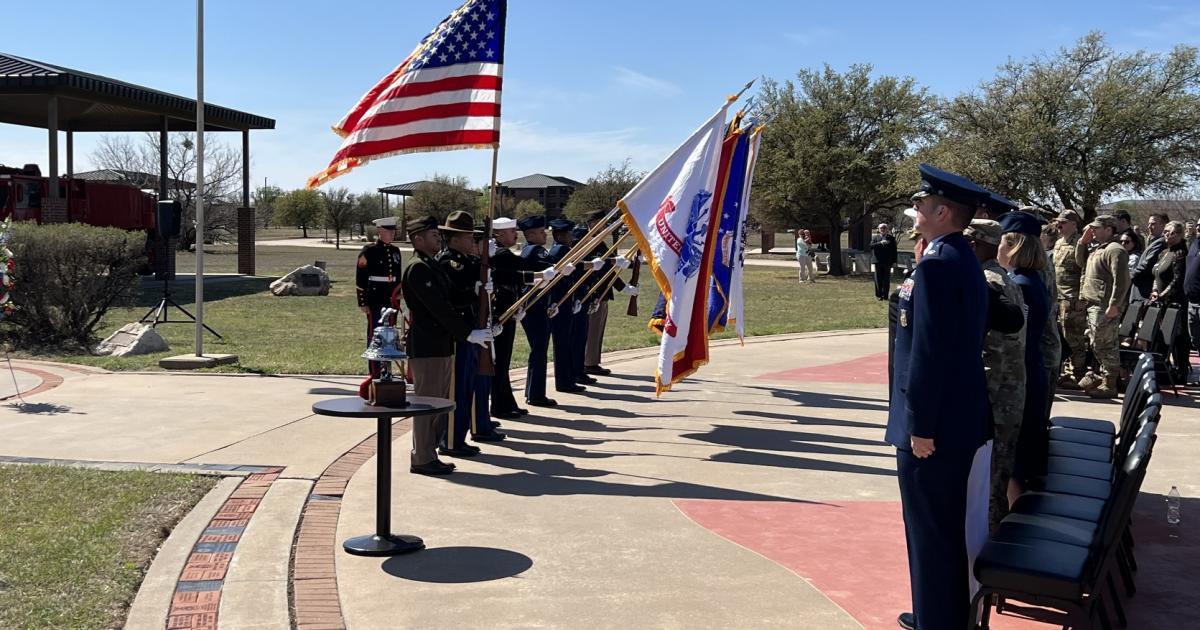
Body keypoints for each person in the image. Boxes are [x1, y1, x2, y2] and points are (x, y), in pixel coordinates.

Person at [889, 164, 990, 630]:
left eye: (921, 205)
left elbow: (929, 355)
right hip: (957, 417)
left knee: (931, 530)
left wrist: (921, 426)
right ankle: (939, 612)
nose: (914, 212)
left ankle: (938, 620)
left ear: (942, 211)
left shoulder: (937, 265)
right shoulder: (959, 256)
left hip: (937, 425)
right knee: (939, 528)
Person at [401, 215, 493, 475]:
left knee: (438, 404)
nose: (438, 238)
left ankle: (429, 454)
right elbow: (440, 309)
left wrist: (475, 290)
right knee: (426, 406)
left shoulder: (430, 265)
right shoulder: (418, 267)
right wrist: (467, 333)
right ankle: (422, 458)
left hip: (440, 344)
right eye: (432, 235)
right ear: (418, 239)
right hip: (427, 346)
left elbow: (451, 297)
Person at [964, 219, 1026, 531]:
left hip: (997, 391)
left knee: (990, 475)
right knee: (997, 471)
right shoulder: (1000, 276)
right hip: (1009, 389)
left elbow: (993, 350)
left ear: (975, 244)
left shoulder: (989, 282)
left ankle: (989, 544)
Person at [436, 211, 506, 457]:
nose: (472, 241)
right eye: (468, 237)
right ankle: (452, 441)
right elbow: (451, 297)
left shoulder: (466, 260)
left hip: (474, 329)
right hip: (461, 333)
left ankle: (460, 437)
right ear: (455, 238)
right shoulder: (448, 261)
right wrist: (474, 290)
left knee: (468, 388)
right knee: (459, 390)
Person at [998, 212, 1051, 491]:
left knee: (1016, 459)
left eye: (1001, 243)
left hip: (1024, 371)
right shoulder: (1029, 279)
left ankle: (1013, 520)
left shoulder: (1020, 284)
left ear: (1013, 245)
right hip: (1032, 367)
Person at [1075, 215, 1131, 398]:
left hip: (1104, 305)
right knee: (1096, 343)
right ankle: (1102, 377)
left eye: (1096, 228)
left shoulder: (1115, 250)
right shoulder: (1098, 249)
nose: (1093, 232)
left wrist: (1114, 304)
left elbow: (1121, 280)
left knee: (1105, 345)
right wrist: (1082, 244)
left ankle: (1110, 384)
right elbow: (1081, 263)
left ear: (1109, 229)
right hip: (1093, 305)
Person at [518, 215, 571, 406]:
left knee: (539, 350)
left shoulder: (529, 250)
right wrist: (563, 269)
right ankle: (535, 394)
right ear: (530, 234)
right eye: (541, 232)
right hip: (535, 307)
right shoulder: (535, 251)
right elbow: (549, 267)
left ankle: (534, 391)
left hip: (538, 306)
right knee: (539, 350)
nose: (545, 235)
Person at [486, 217, 532, 420]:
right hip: (500, 314)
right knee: (501, 361)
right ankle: (499, 405)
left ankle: (506, 402)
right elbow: (527, 265)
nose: (516, 234)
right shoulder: (501, 254)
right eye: (511, 231)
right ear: (498, 234)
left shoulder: (502, 253)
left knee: (504, 361)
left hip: (508, 311)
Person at [355, 216, 404, 397]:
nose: (392, 234)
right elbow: (361, 278)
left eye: (393, 231)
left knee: (390, 337)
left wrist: (399, 293)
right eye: (388, 231)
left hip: (391, 298)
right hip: (375, 298)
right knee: (375, 336)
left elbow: (397, 276)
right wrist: (363, 302)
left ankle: (388, 370)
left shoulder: (396, 251)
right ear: (380, 231)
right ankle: (375, 372)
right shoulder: (369, 251)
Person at [584, 212, 637, 376]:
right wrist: (622, 287)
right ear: (593, 223)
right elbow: (604, 266)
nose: (606, 227)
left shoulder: (599, 242)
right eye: (602, 224)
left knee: (597, 329)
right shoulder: (586, 241)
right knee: (592, 329)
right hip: (593, 292)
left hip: (603, 291)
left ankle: (592, 361)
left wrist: (633, 264)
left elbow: (611, 267)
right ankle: (588, 363)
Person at [547, 218, 587, 395]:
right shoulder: (560, 250)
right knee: (563, 344)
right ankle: (564, 381)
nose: (571, 236)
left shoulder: (564, 248)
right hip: (559, 302)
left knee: (567, 342)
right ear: (559, 235)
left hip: (566, 300)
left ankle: (568, 379)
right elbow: (574, 269)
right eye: (568, 233)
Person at [1148, 220, 1189, 381]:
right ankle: (1163, 368)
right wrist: (1154, 291)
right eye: (1165, 231)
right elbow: (1156, 274)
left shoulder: (1180, 254)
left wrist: (1163, 294)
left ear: (1179, 235)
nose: (1166, 234)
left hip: (1174, 303)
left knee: (1177, 337)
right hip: (1160, 301)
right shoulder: (1164, 253)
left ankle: (1181, 370)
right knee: (1161, 336)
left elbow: (1177, 280)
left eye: (1170, 232)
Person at [1053, 210, 1088, 387]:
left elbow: (1084, 272)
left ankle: (1078, 373)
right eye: (1058, 222)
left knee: (1074, 337)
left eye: (1063, 223)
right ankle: (1067, 371)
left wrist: (1082, 297)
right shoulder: (1059, 243)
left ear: (1074, 224)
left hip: (1073, 297)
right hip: (1059, 296)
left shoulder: (1080, 244)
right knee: (1063, 336)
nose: (1059, 225)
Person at [1130, 213, 1169, 303]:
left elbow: (1147, 265)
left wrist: (1131, 276)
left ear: (1163, 225)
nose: (1149, 226)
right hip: (1142, 287)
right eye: (1149, 224)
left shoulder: (1161, 242)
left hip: (1145, 289)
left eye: (1153, 224)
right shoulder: (1154, 240)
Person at [1185, 221, 1200, 385]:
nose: (1198, 228)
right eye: (1197, 225)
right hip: (1192, 301)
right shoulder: (1194, 244)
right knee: (1196, 340)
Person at [871, 223, 898, 300]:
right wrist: (880, 243)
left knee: (886, 279)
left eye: (884, 228)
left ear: (887, 229)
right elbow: (871, 246)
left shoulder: (891, 238)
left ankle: (885, 295)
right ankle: (879, 295)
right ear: (878, 229)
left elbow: (894, 251)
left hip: (887, 262)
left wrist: (894, 261)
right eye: (881, 228)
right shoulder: (875, 238)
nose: (882, 229)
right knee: (878, 279)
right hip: (877, 261)